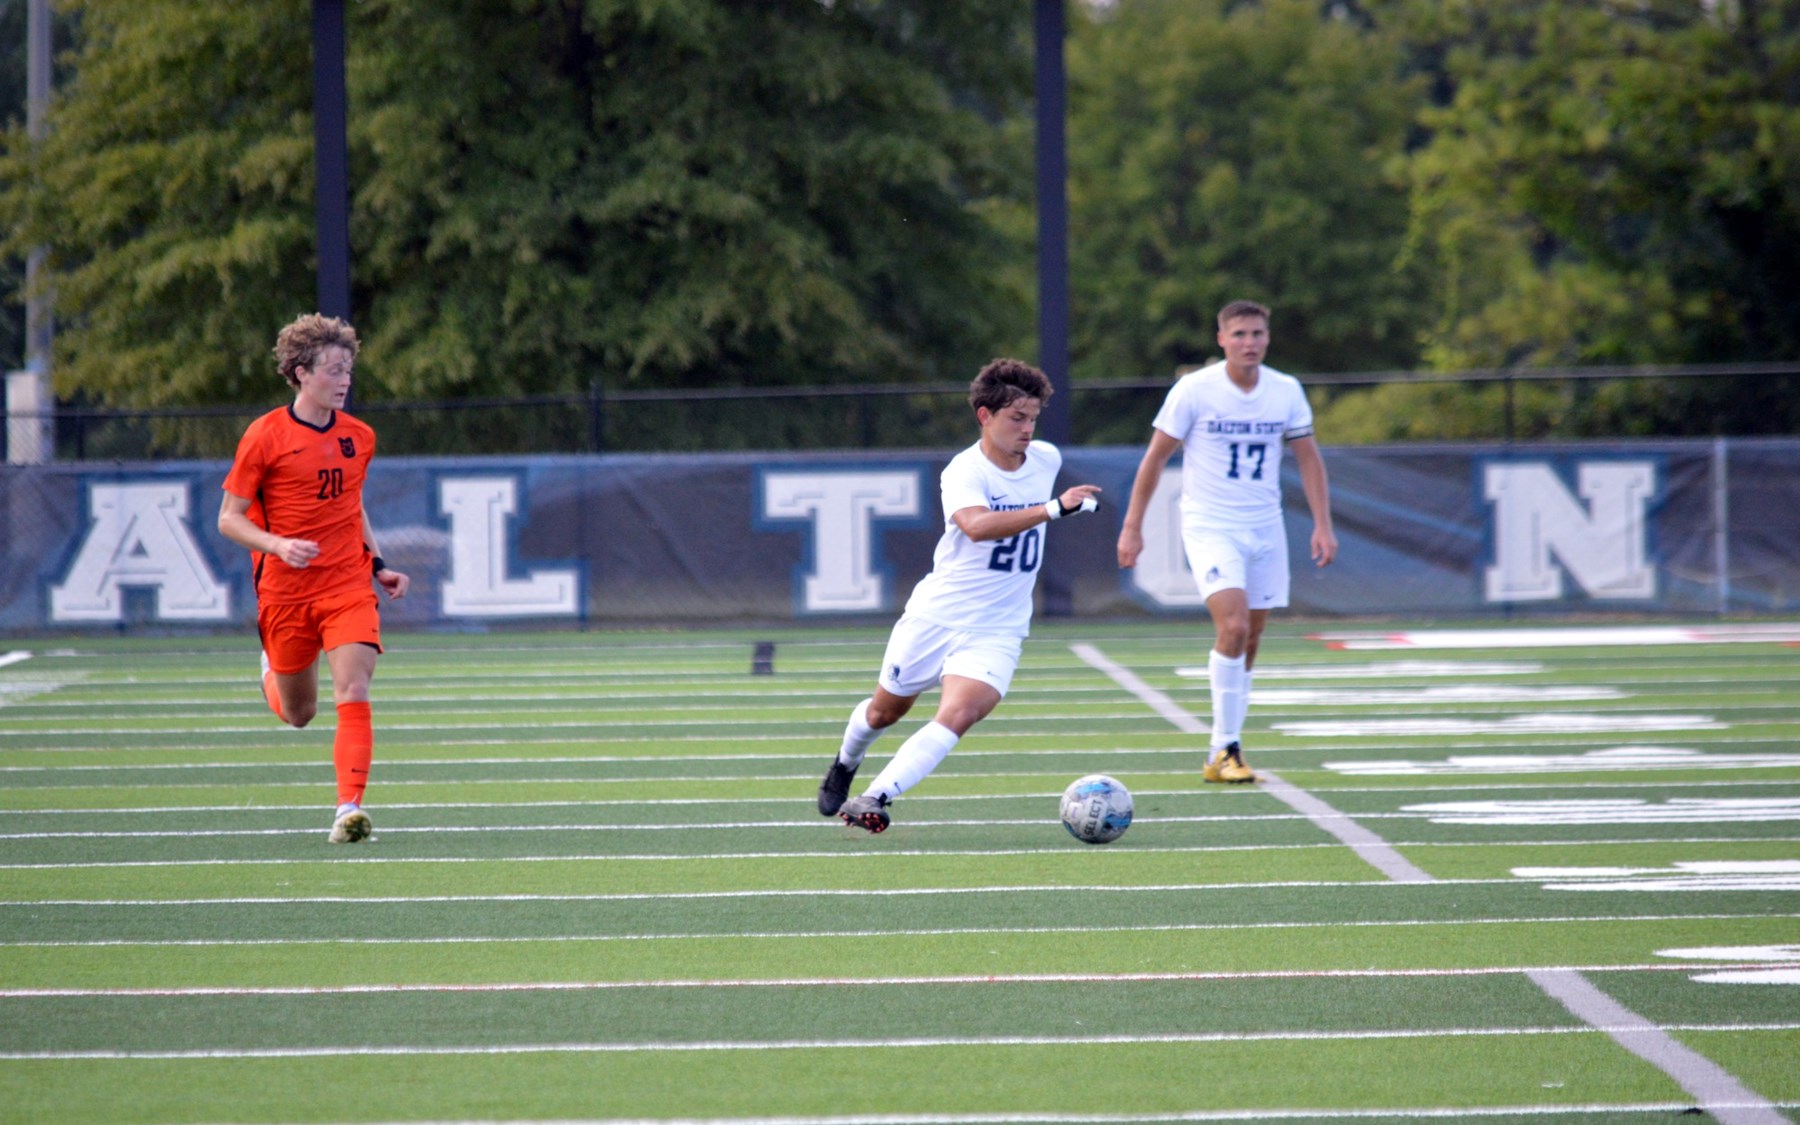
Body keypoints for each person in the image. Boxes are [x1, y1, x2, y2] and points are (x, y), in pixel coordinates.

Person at [819, 358, 1102, 833]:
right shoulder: (964, 471)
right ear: (984, 416)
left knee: (961, 712)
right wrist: (1054, 509)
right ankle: (846, 763)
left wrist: (1065, 508)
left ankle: (876, 796)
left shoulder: (1046, 459)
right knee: (883, 711)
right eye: (1017, 418)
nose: (1028, 429)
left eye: (1033, 418)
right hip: (938, 614)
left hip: (999, 626)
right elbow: (975, 526)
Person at [1116, 300, 1336, 783]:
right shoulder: (1195, 390)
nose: (1249, 342)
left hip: (1265, 526)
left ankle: (1227, 747)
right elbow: (1154, 458)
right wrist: (1133, 525)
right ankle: (1223, 747)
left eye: (1257, 333)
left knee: (1252, 637)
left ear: (1268, 338)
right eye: (1238, 334)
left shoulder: (1285, 391)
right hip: (1211, 524)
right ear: (1221, 340)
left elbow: (1308, 458)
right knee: (1233, 627)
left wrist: (1322, 524)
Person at [217, 313, 410, 843]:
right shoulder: (264, 436)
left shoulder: (360, 437)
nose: (344, 379)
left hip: (347, 584)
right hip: (285, 590)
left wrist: (379, 564)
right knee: (299, 713)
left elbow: (353, 507)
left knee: (354, 685)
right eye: (332, 369)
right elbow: (229, 518)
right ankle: (269, 674)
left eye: (348, 368)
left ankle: (348, 808)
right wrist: (277, 545)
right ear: (301, 373)